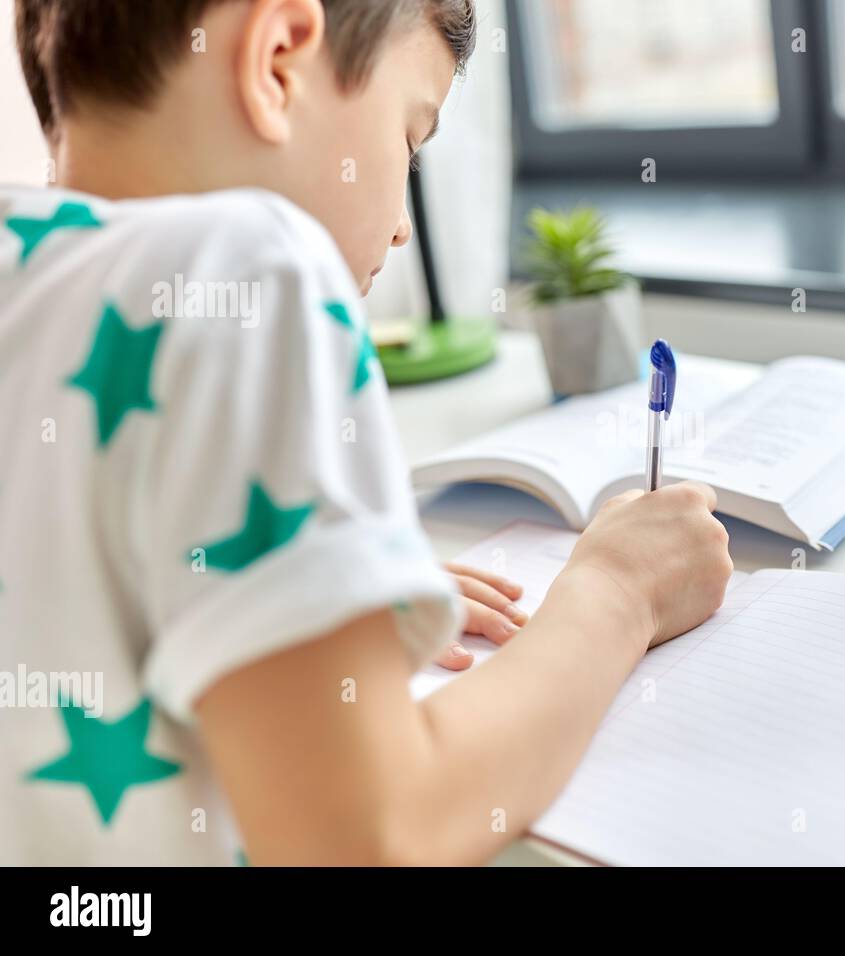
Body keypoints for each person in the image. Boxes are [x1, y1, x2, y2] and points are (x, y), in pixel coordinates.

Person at [0, 0, 732, 865]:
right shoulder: (247, 272)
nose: (400, 225)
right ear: (277, 62)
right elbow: (374, 836)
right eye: (409, 141)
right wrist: (618, 591)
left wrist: (321, 594)